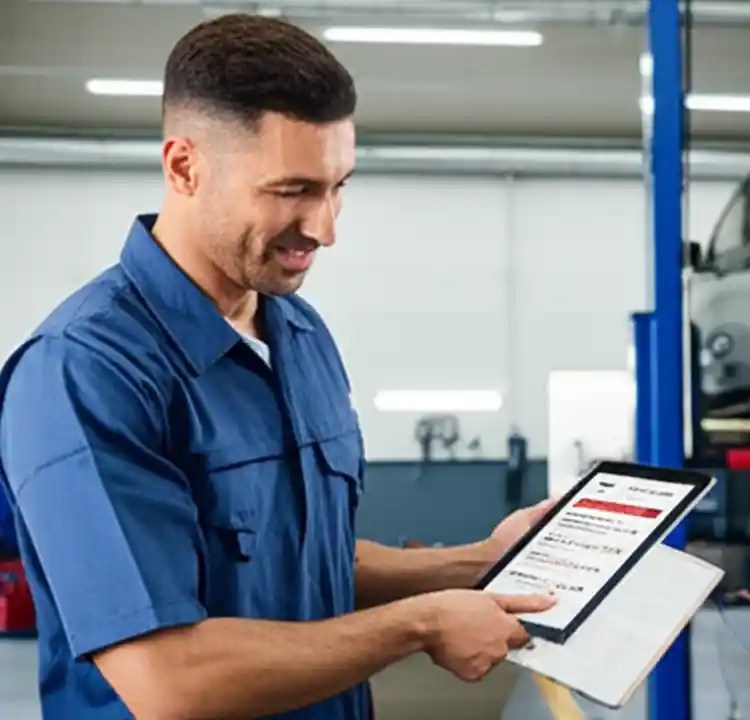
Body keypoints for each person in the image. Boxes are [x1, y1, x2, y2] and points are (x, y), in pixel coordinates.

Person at [0, 14, 555, 720]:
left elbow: (303, 565)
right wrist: (421, 624)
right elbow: (169, 679)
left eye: (337, 186)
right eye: (292, 191)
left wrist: (477, 562)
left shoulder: (299, 333)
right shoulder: (84, 372)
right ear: (183, 166)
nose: (326, 228)